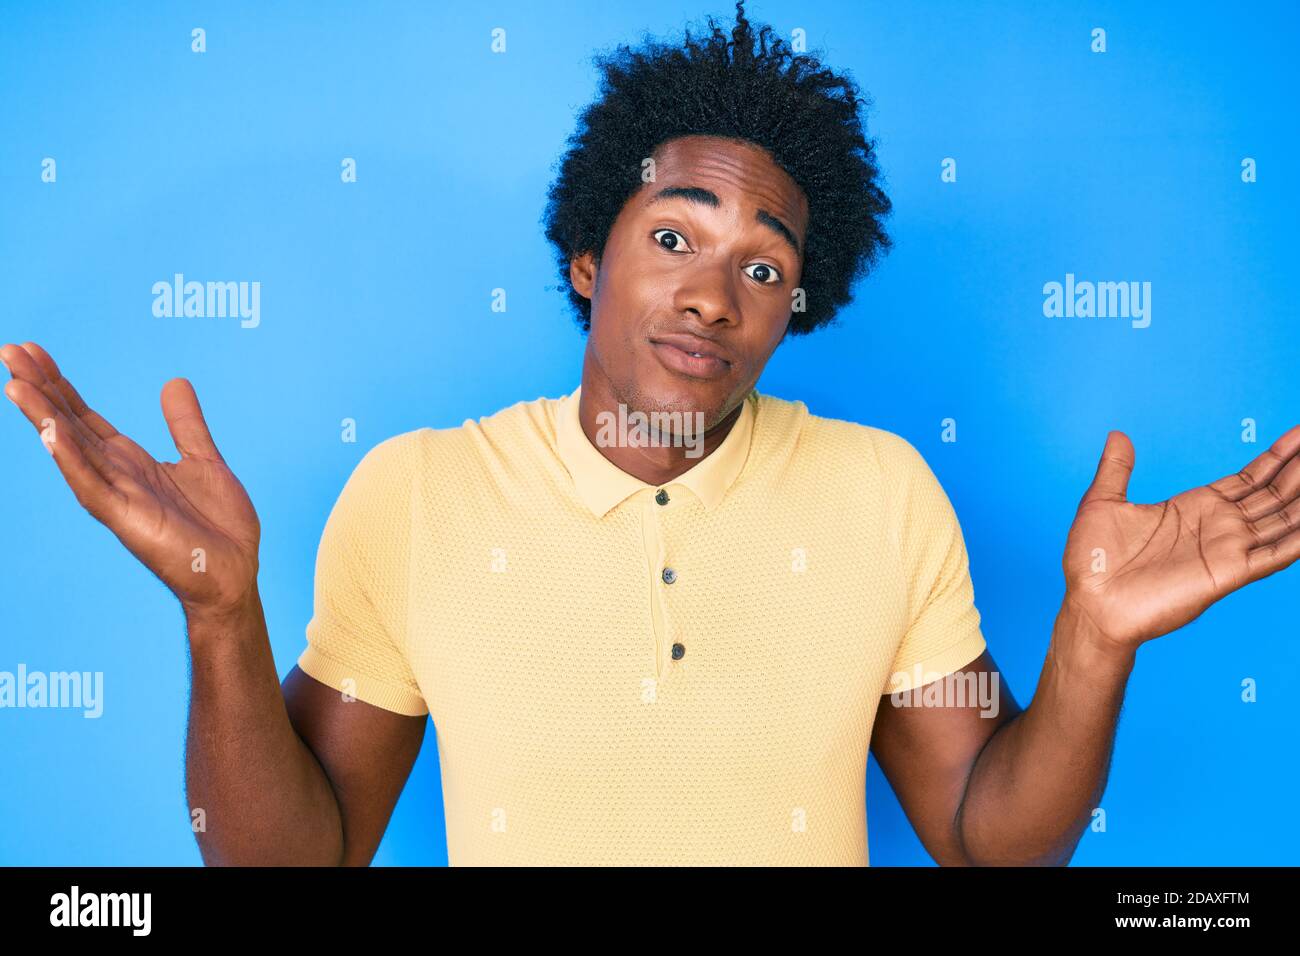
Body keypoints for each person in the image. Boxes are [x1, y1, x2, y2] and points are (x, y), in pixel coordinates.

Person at [4, 1, 1298, 866]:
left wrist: (1091, 643)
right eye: (673, 236)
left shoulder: (883, 495)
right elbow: (303, 852)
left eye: (763, 267)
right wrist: (220, 617)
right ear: (586, 256)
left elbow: (983, 838)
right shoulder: (414, 495)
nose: (709, 292)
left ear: (799, 307)